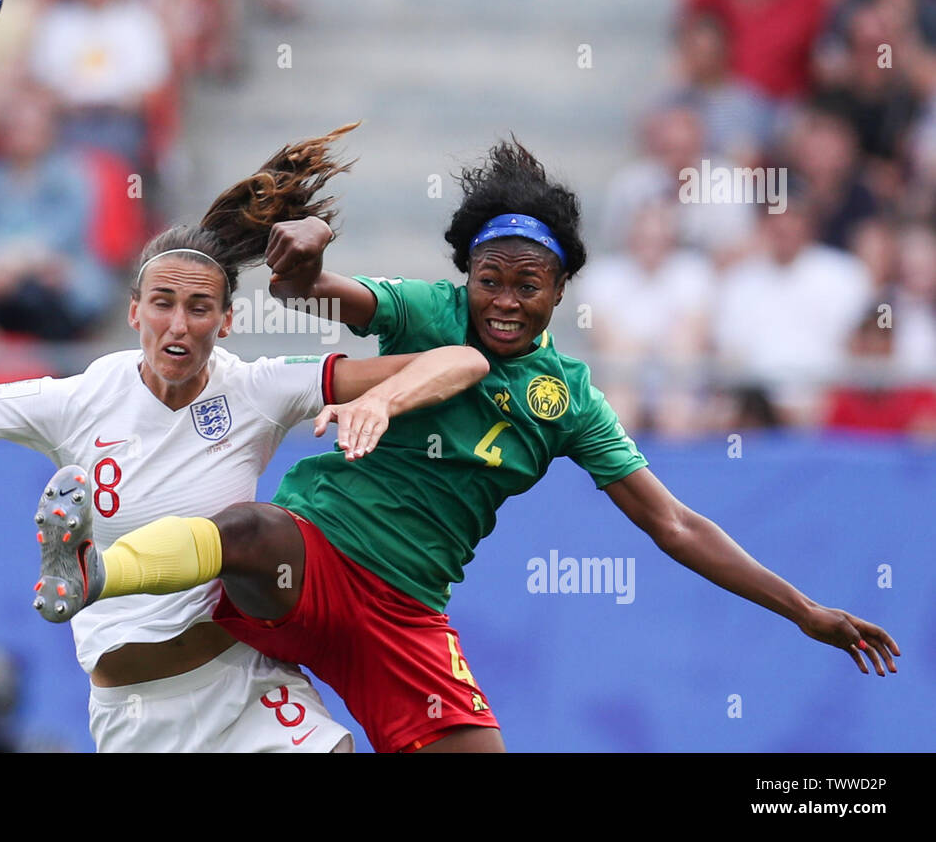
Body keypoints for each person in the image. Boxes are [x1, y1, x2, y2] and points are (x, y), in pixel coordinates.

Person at [46, 138, 902, 753]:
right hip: (311, 561)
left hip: (405, 613)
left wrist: (804, 611)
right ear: (467, 278)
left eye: (528, 285)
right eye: (489, 280)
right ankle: (91, 573)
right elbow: (319, 291)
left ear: (562, 288)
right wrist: (301, 259)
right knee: (250, 530)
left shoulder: (569, 400)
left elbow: (674, 526)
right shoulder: (428, 311)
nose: (503, 302)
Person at [0, 124, 490, 752]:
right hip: (137, 716)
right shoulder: (75, 399)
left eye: (199, 307)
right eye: (162, 303)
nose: (178, 324)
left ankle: (97, 573)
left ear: (227, 320)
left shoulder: (257, 388)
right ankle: (93, 575)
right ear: (133, 311)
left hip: (246, 687)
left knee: (255, 536)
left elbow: (465, 362)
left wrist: (380, 398)